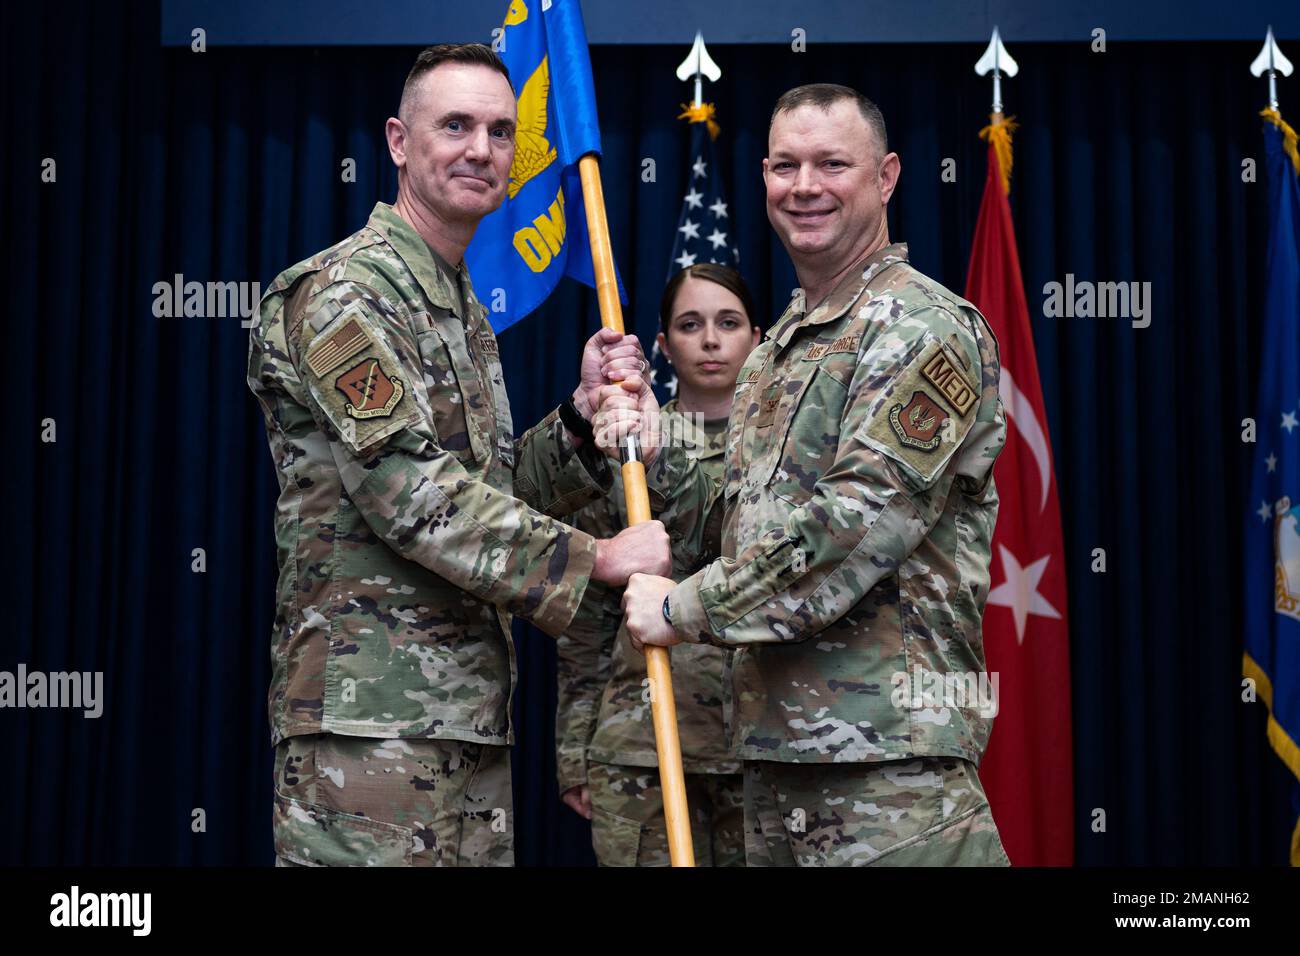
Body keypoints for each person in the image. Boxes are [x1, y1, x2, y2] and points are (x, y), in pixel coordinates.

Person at [246, 43, 668, 867]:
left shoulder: (458, 305)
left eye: (501, 132)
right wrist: (600, 557)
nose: (482, 149)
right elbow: (410, 494)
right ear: (400, 141)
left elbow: (488, 490)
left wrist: (579, 423)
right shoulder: (345, 291)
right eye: (457, 126)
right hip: (369, 728)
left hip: (463, 716)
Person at [609, 83, 1011, 866]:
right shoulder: (782, 346)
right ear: (762, 177)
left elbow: (850, 529)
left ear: (887, 177)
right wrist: (644, 443)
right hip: (776, 761)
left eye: (833, 164)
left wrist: (684, 607)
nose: (805, 187)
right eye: (786, 166)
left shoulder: (920, 328)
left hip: (887, 774)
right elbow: (735, 522)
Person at [556, 264, 760, 866]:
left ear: (758, 336)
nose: (711, 340)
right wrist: (575, 746)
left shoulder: (785, 444)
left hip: (763, 746)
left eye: (729, 323)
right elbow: (588, 607)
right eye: (690, 325)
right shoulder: (627, 440)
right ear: (665, 346)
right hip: (642, 743)